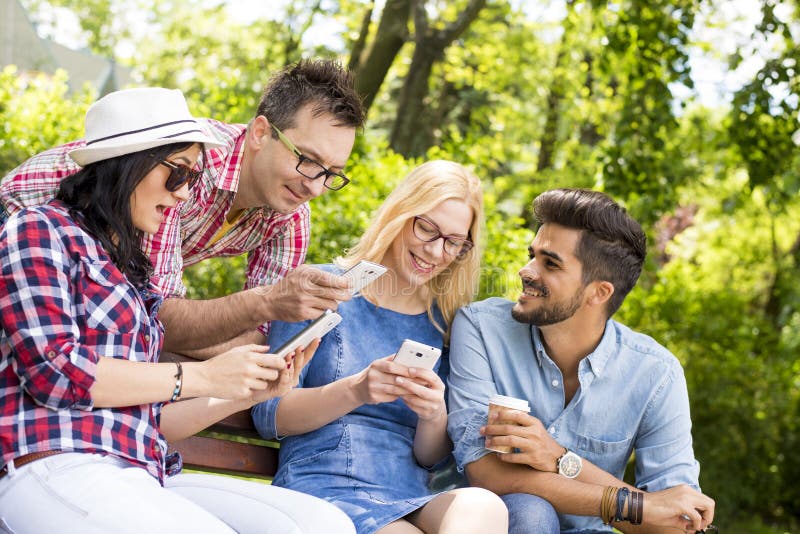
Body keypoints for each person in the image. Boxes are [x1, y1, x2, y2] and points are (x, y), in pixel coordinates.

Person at [0, 87, 355, 534]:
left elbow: (150, 417)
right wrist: (202, 375)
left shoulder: (130, 279)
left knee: (321, 525)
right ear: (129, 164)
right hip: (52, 459)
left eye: (192, 178)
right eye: (180, 174)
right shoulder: (37, 229)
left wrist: (245, 391)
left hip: (141, 468)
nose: (187, 195)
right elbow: (56, 372)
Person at [0, 58, 365, 356]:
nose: (315, 186)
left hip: (81, 273)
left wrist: (216, 332)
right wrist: (259, 307)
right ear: (259, 133)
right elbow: (157, 318)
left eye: (331, 173)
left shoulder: (290, 214)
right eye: (307, 159)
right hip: (15, 227)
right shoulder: (186, 169)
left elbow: (259, 339)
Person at [252, 160, 509, 534]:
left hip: (408, 493)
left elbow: (432, 459)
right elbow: (269, 416)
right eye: (427, 229)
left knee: (484, 507)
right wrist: (356, 390)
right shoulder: (323, 289)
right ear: (400, 215)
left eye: (454, 242)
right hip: (325, 486)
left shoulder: (446, 323)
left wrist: (433, 414)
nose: (436, 252)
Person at [447, 188, 717, 533]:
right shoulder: (481, 329)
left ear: (599, 292)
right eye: (533, 255)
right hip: (497, 522)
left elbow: (679, 523)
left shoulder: (656, 374)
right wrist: (633, 506)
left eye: (550, 263)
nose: (525, 271)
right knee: (530, 512)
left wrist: (561, 459)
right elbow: (484, 472)